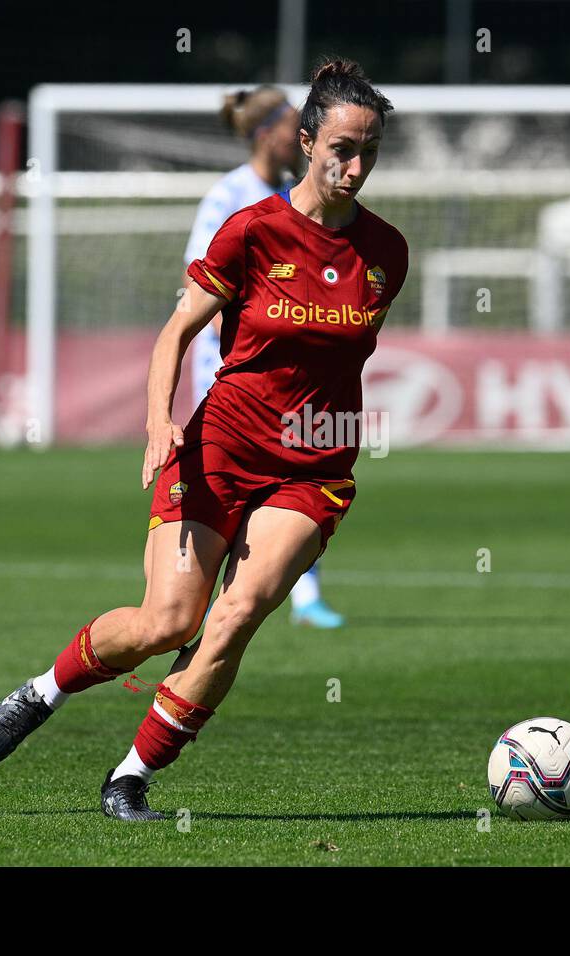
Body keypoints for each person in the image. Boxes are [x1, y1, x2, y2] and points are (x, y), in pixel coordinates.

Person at [0, 57, 409, 818]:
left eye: (369, 149)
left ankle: (131, 775)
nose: (356, 165)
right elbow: (177, 331)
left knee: (237, 615)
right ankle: (43, 691)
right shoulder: (252, 230)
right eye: (342, 147)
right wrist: (158, 422)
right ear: (306, 140)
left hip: (315, 464)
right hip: (221, 447)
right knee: (168, 622)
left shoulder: (386, 253)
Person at [184, 85, 346, 628]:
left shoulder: (297, 196)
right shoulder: (229, 197)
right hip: (230, 374)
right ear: (267, 133)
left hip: (293, 378)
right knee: (243, 489)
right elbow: (198, 289)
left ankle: (302, 594)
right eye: (293, 127)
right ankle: (205, 604)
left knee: (304, 472)